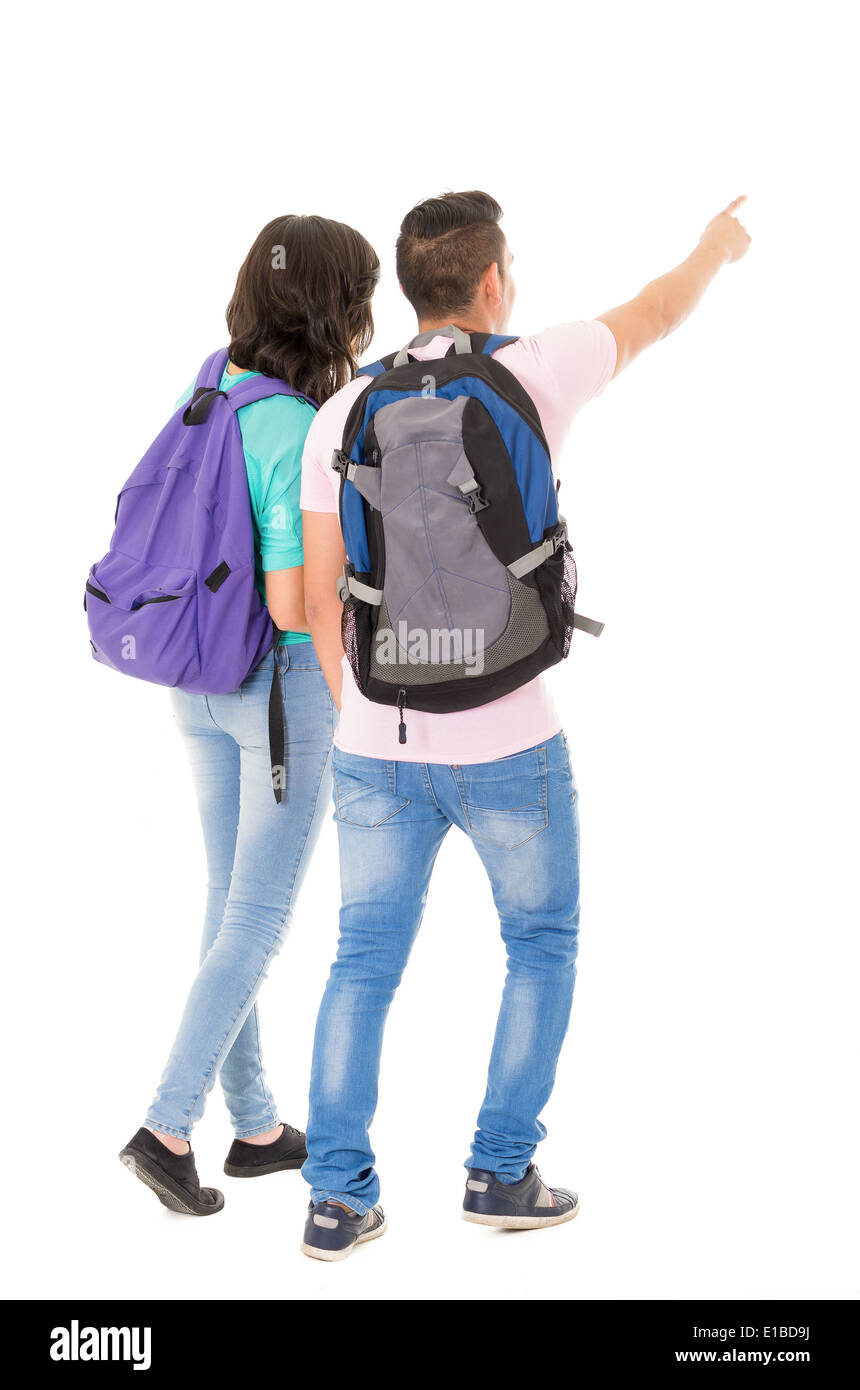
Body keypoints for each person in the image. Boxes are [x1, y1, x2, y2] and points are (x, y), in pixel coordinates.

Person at [297, 190, 750, 1259]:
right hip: (510, 735)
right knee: (539, 944)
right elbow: (653, 312)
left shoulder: (338, 410)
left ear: (409, 290)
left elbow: (319, 601)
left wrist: (368, 708)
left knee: (360, 959)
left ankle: (334, 1199)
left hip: (374, 742)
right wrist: (713, 248)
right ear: (492, 282)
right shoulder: (534, 370)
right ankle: (499, 1173)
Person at [118, 215, 380, 1216]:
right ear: (334, 310)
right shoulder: (296, 425)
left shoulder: (212, 383)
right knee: (260, 919)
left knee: (233, 908)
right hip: (279, 692)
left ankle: (257, 1123)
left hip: (195, 681)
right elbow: (287, 603)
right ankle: (166, 1125)